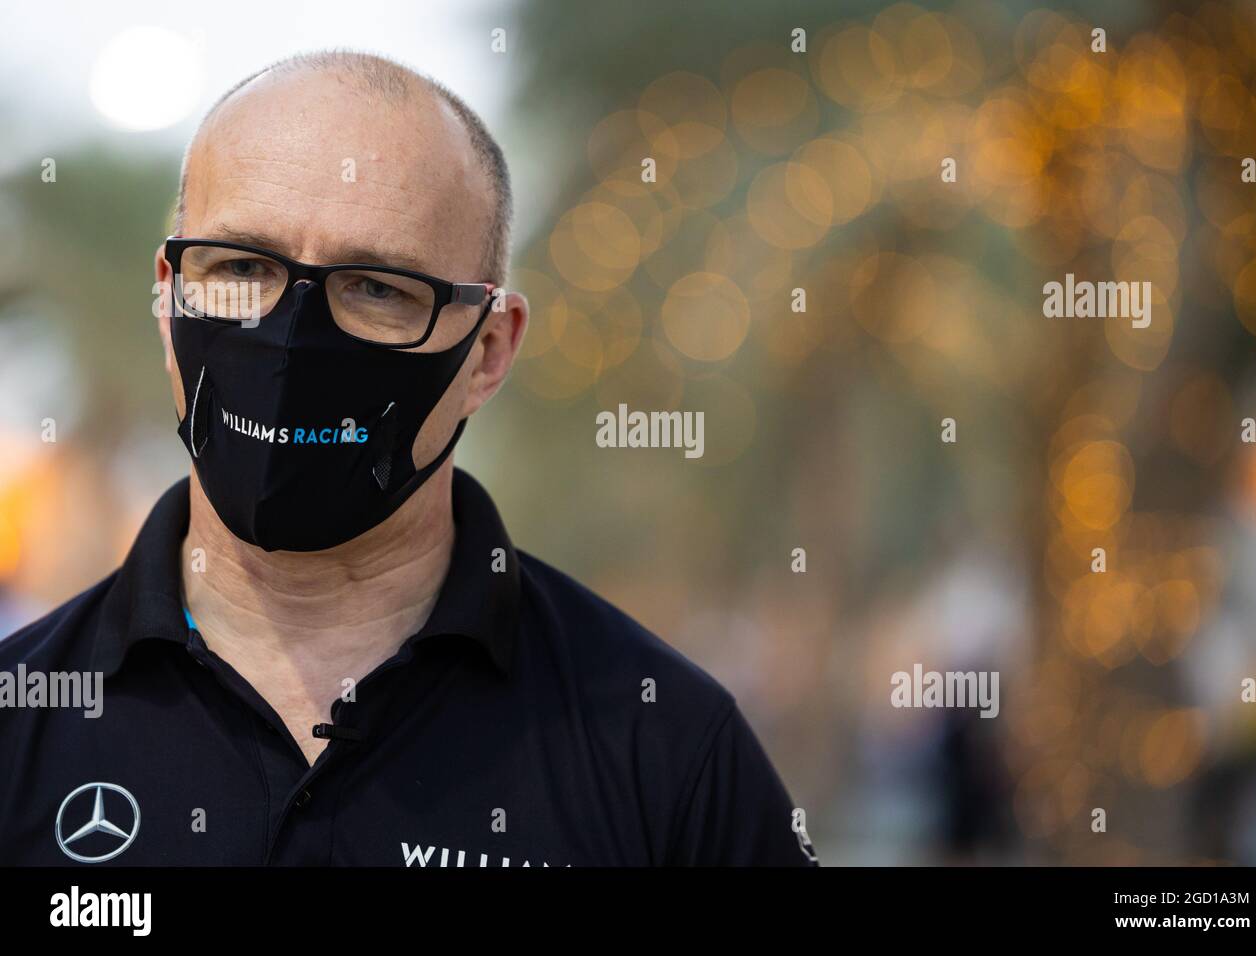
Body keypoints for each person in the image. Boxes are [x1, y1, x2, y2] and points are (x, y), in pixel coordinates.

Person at [0, 51, 817, 867]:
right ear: (169, 295)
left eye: (377, 288)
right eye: (242, 268)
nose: (291, 341)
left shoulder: (662, 750)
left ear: (489, 351)